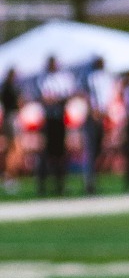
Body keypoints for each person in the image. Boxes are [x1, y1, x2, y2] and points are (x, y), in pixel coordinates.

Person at [35, 55, 76, 196]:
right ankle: (44, 185)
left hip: (59, 119)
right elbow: (43, 98)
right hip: (49, 119)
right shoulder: (43, 79)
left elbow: (67, 95)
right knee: (47, 153)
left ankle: (60, 184)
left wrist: (56, 100)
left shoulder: (63, 79)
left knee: (60, 153)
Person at [81, 54, 116, 195]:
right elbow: (88, 96)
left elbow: (108, 98)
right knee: (91, 151)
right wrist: (94, 111)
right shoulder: (91, 77)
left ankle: (96, 180)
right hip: (94, 117)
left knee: (101, 151)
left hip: (103, 117)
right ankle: (90, 182)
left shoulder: (107, 78)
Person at [1, 67, 21, 193]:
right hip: (11, 117)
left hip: (8, 118)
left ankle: (9, 176)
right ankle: (9, 177)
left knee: (12, 149)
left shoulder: (4, 88)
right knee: (14, 149)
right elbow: (18, 103)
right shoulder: (10, 88)